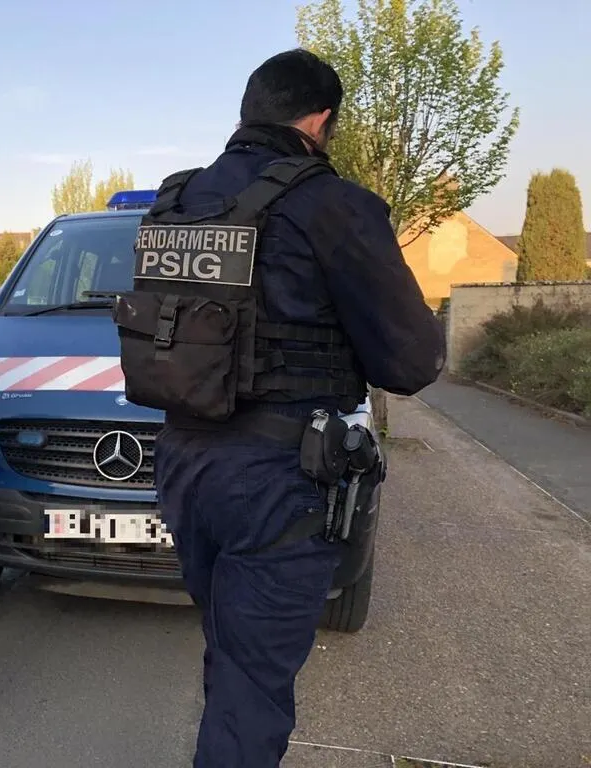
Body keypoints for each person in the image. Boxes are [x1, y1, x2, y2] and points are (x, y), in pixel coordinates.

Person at [112, 49, 445, 766]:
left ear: (248, 110)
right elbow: (413, 362)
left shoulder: (176, 201)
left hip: (185, 465)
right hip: (280, 480)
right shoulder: (333, 205)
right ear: (320, 120)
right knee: (251, 690)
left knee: (233, 658)